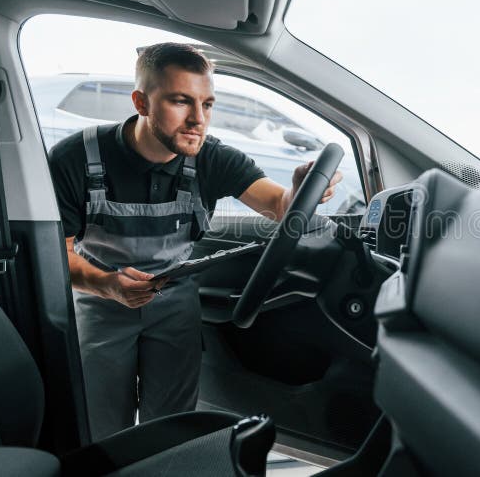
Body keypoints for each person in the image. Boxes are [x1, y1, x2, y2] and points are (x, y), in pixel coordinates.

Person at [48, 42, 341, 440]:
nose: (197, 119)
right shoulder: (75, 159)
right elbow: (54, 255)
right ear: (141, 102)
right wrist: (107, 284)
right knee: (101, 431)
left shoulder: (212, 158)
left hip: (175, 301)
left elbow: (279, 206)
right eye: (181, 101)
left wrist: (300, 188)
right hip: (100, 301)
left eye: (207, 104)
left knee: (171, 429)